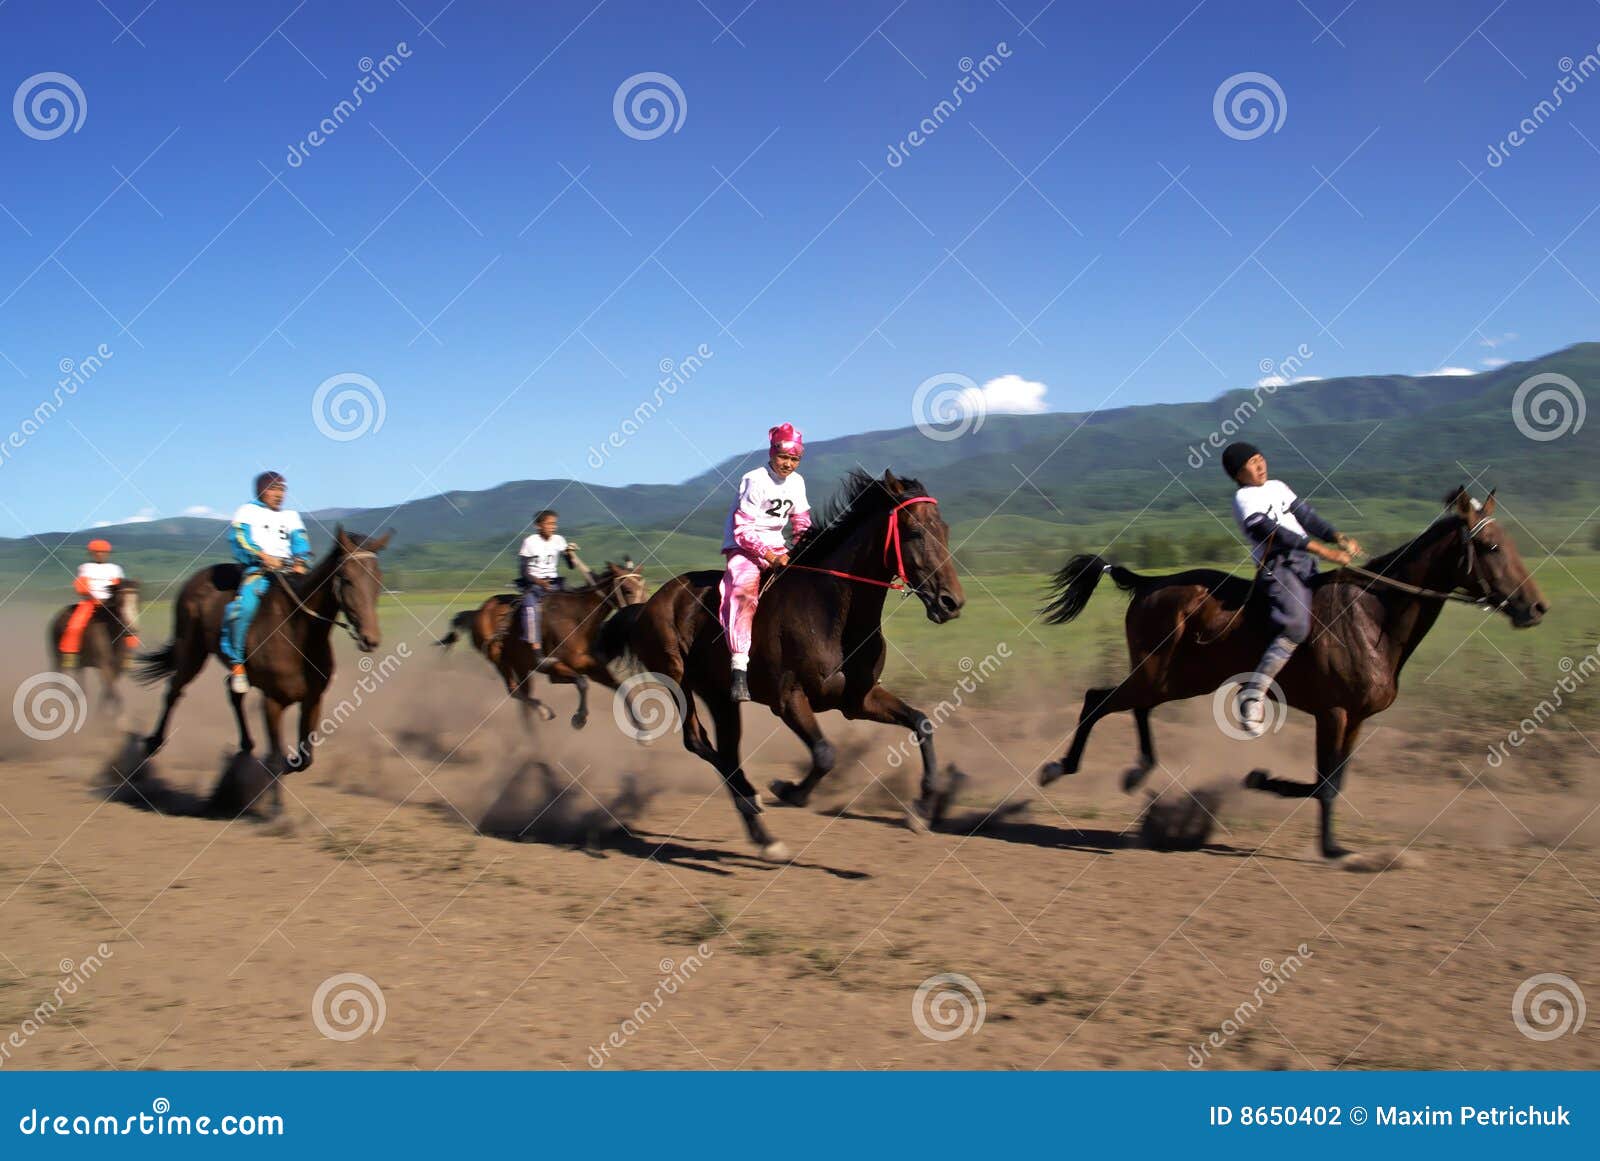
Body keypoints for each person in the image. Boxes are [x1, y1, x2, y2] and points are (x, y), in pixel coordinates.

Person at [1222, 442, 1361, 736]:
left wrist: (1337, 536)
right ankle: (1254, 693)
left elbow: (1306, 517)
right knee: (1297, 625)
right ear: (1238, 473)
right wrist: (1326, 552)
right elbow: (1272, 532)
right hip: (1278, 566)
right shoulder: (1243, 498)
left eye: (1261, 458)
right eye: (1252, 462)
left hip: (1305, 562)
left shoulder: (1278, 486)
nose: (1260, 465)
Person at [720, 423, 812, 702]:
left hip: (777, 545)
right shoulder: (754, 479)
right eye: (784, 457)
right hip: (744, 546)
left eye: (794, 459)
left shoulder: (798, 482)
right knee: (743, 592)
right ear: (772, 453)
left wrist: (803, 548)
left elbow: (801, 521)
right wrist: (770, 557)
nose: (788, 464)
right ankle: (738, 667)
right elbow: (743, 530)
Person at [223, 471, 312, 694]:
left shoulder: (291, 516)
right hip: (260, 571)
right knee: (244, 608)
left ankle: (316, 660)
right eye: (274, 489)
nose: (279, 494)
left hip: (291, 570)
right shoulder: (247, 512)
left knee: (317, 601)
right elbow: (240, 539)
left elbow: (300, 540)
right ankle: (237, 664)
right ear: (262, 490)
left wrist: (300, 560)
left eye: (282, 490)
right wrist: (263, 556)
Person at [513, 509, 578, 666]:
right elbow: (523, 570)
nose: (552, 527)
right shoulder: (530, 542)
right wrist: (539, 582)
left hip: (554, 583)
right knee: (530, 609)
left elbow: (570, 566)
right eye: (549, 523)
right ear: (538, 525)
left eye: (554, 523)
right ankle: (536, 651)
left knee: (575, 602)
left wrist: (570, 554)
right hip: (533, 584)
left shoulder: (559, 540)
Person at [60, 538, 136, 666]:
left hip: (112, 602)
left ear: (108, 554)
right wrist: (92, 597)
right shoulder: (85, 568)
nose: (100, 554)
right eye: (97, 552)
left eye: (103, 552)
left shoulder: (115, 569)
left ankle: (127, 654)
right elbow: (81, 586)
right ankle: (70, 654)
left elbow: (120, 586)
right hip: (91, 602)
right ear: (92, 553)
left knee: (129, 624)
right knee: (75, 625)